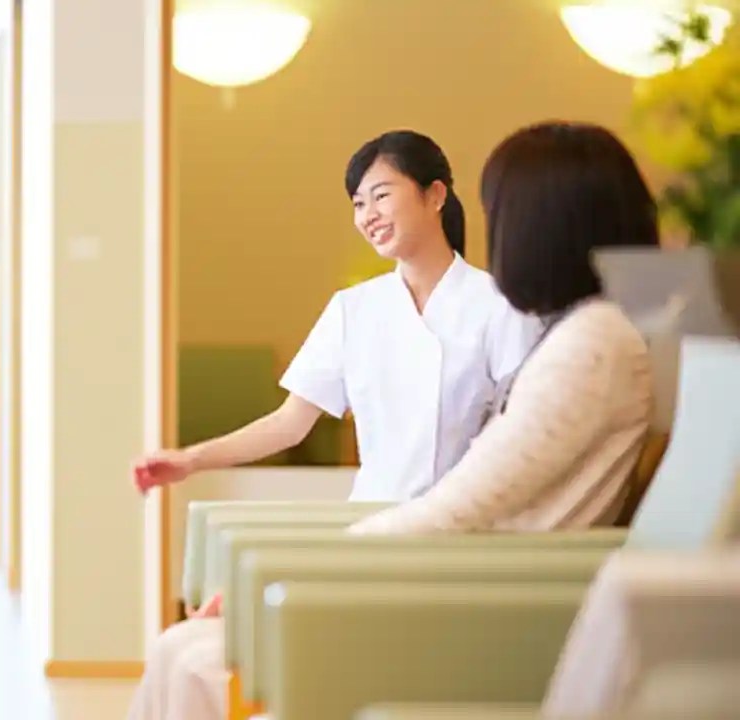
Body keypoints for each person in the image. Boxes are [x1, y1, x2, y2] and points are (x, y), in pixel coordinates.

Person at [128, 121, 659, 720]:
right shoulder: (361, 309)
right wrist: (194, 459)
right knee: (181, 649)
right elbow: (292, 421)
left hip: (435, 560)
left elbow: (473, 496)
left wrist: (282, 576)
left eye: (382, 194)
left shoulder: (555, 335)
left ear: (436, 195)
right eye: (358, 202)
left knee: (193, 656)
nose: (368, 213)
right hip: (404, 539)